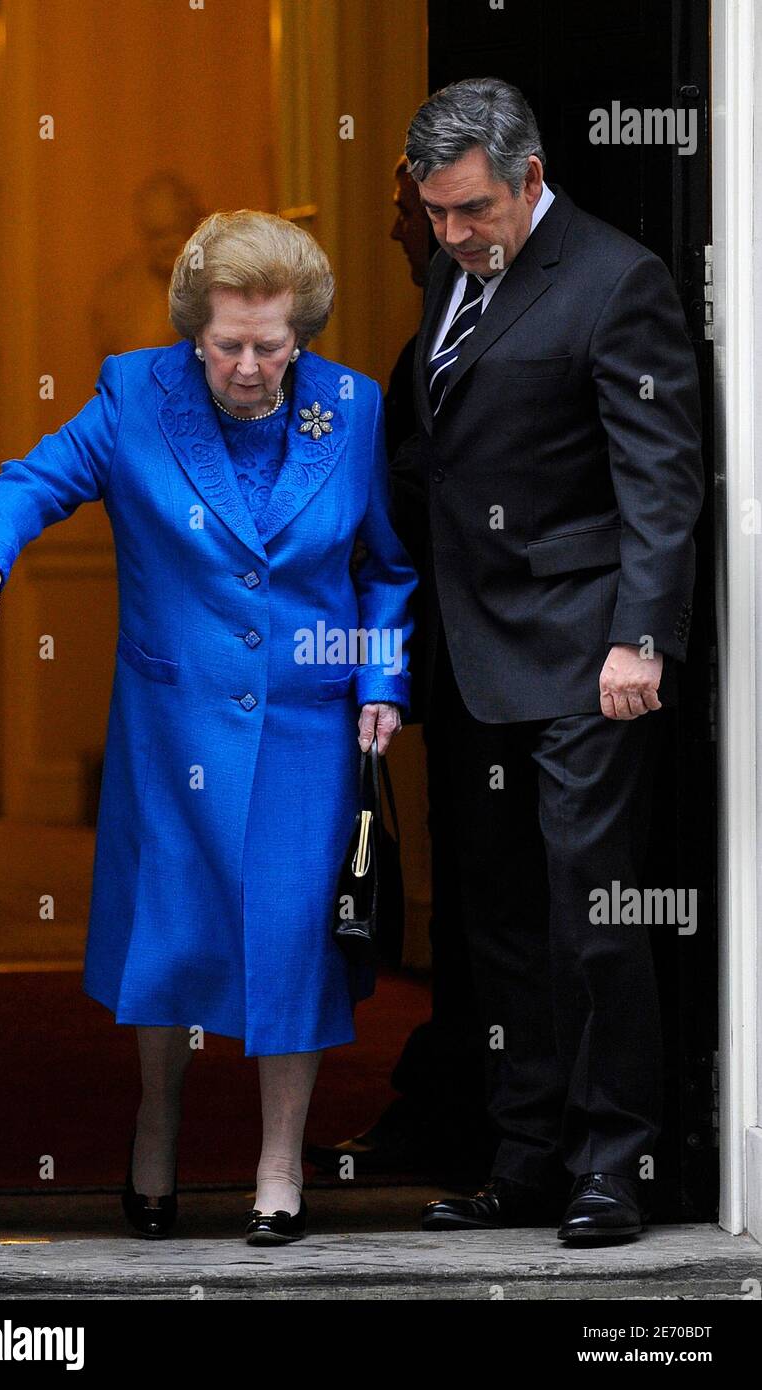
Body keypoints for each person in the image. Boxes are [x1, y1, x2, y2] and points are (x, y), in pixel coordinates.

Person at [0, 210, 417, 1245]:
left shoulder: (354, 407)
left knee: (292, 938)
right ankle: (157, 1126)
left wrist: (379, 673)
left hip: (304, 727)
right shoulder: (135, 393)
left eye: (271, 345)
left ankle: (279, 1168)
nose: (249, 367)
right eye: (228, 344)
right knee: (174, 930)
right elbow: (35, 482)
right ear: (194, 329)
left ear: (303, 334)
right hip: (175, 722)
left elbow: (384, 565)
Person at [394, 77, 704, 1243]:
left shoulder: (617, 280)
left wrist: (641, 636)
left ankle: (610, 1165)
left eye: (471, 209)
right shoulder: (448, 272)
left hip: (585, 654)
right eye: (435, 213)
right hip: (474, 653)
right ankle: (522, 1158)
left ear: (529, 178)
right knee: (502, 925)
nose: (453, 234)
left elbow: (659, 477)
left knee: (592, 915)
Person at [306, 156, 493, 1185]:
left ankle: (487, 1116)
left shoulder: (476, 339)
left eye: (402, 215)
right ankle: (454, 1100)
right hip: (441, 667)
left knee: (494, 902)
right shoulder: (427, 347)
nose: (394, 234)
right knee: (463, 887)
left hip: (506, 660)